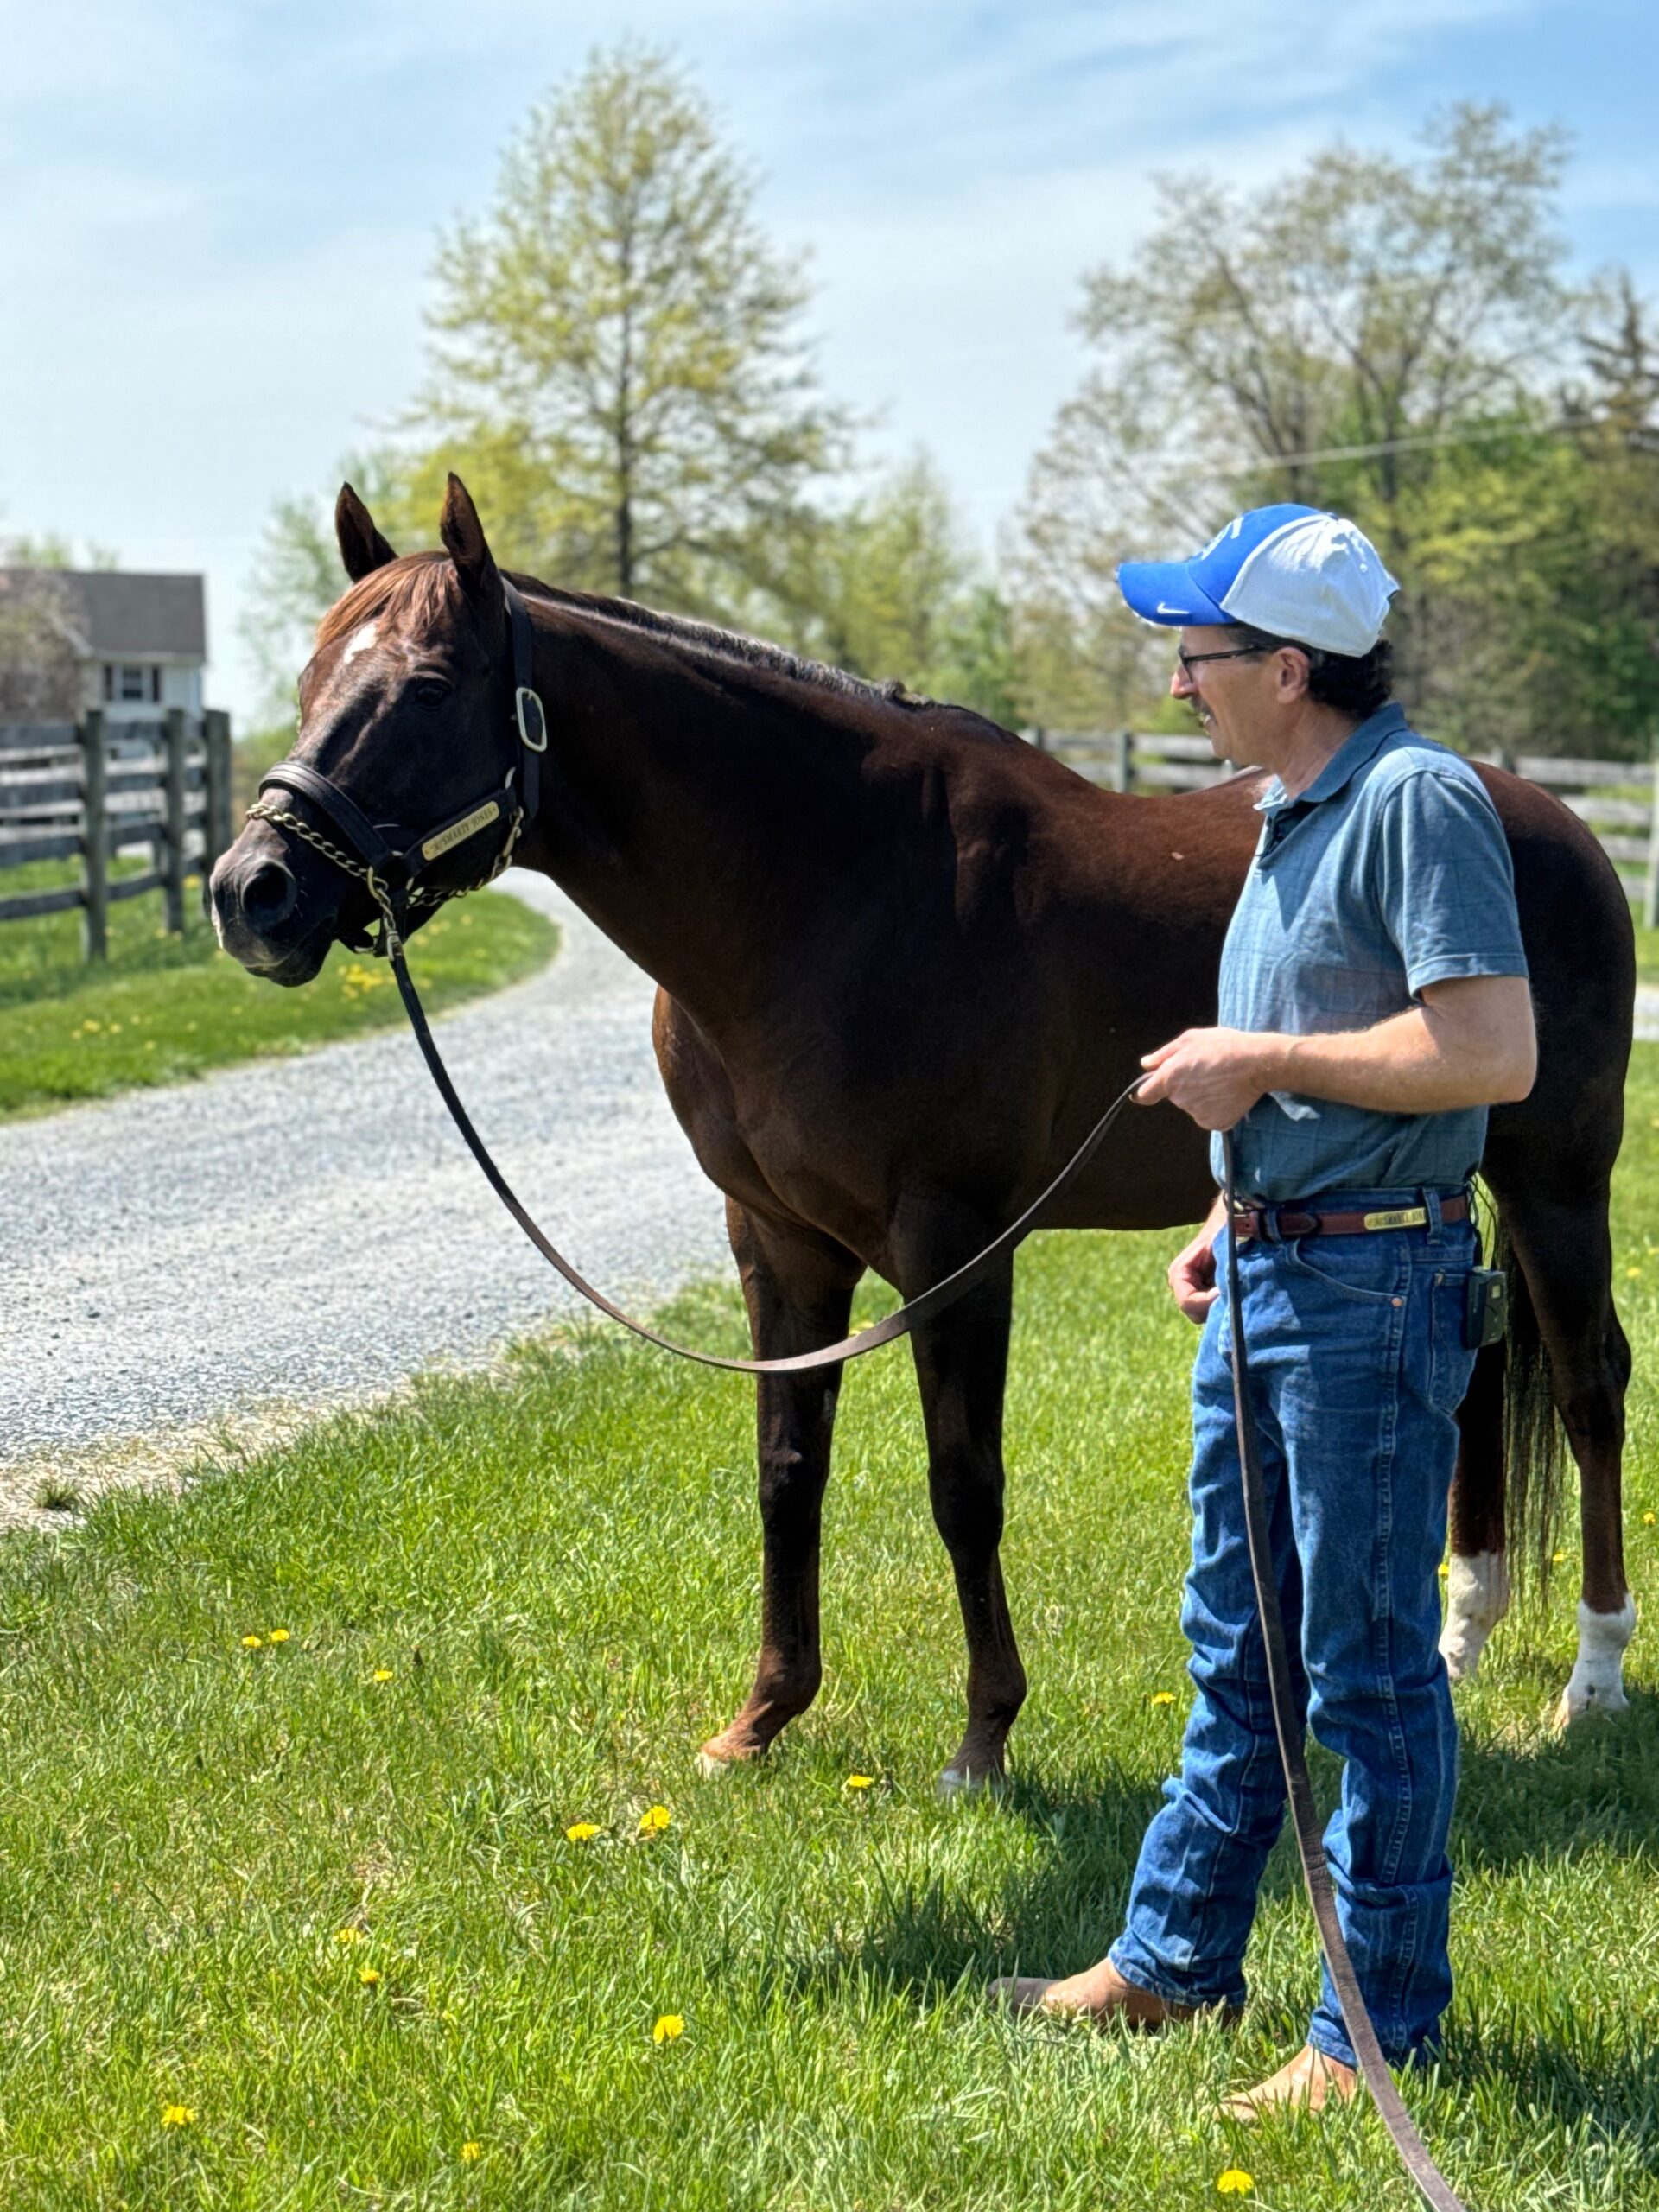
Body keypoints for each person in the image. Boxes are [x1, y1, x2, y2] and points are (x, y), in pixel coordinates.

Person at [991, 505, 1536, 2117]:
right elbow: (1342, 1023)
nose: (1176, 685)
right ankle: (1171, 1962)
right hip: (1285, 1268)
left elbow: (1490, 1051)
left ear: (1289, 665)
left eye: (1200, 653)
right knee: (1239, 1643)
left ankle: (1371, 2035)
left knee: (1366, 1670)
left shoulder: (1416, 802)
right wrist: (1240, 1211)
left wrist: (1260, 1069)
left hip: (1375, 1287)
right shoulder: (1292, 805)